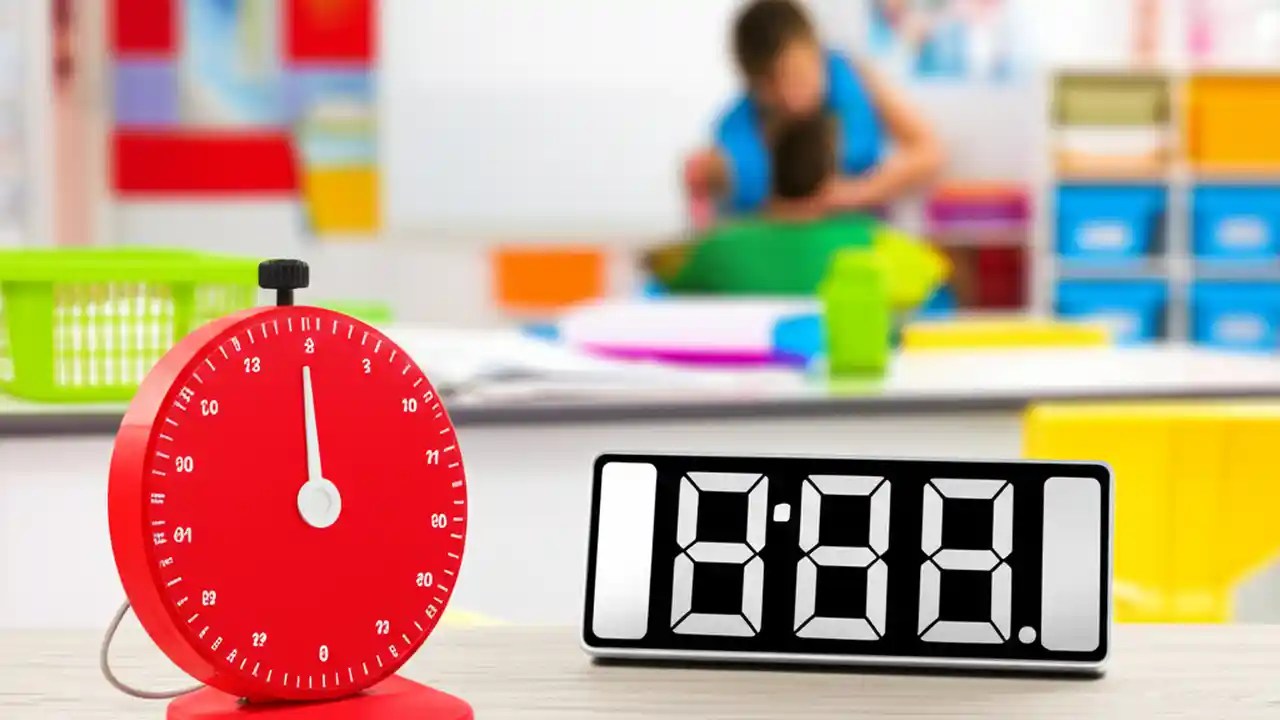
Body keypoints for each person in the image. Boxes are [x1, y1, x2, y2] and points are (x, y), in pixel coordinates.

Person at [687, 0, 944, 219]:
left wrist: (855, 193)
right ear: (750, 83)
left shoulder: (854, 78)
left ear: (817, 52)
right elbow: (715, 213)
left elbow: (929, 151)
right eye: (771, 84)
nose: (791, 98)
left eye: (799, 76)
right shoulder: (733, 136)